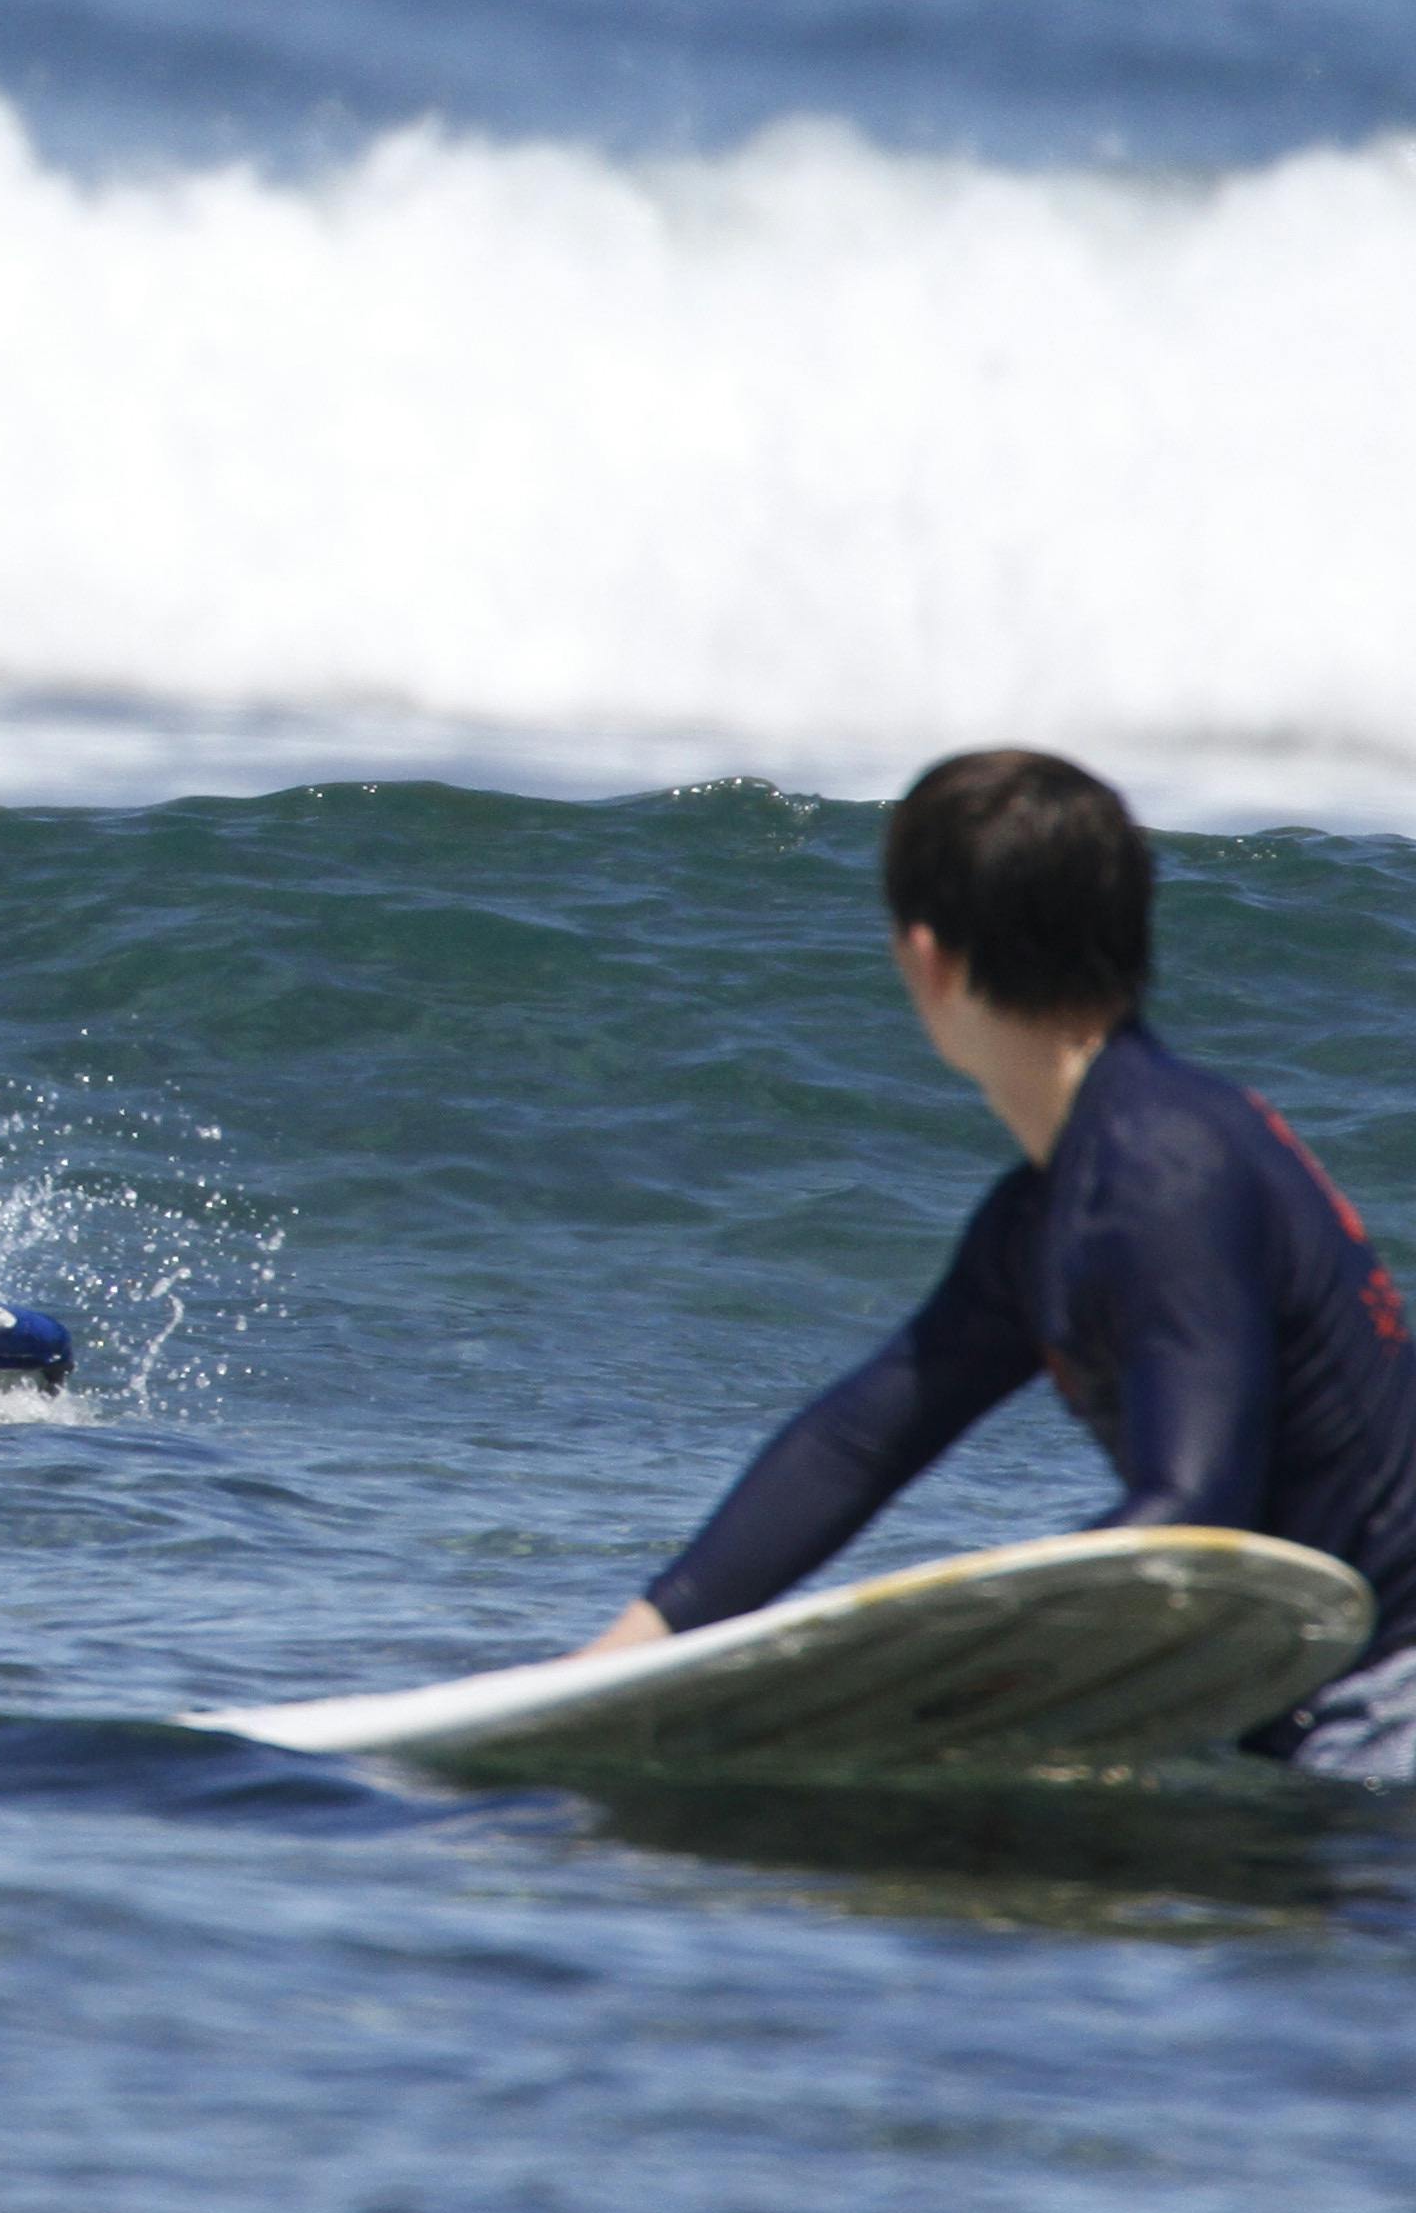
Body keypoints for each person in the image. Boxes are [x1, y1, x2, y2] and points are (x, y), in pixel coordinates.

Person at [572, 747, 1416, 1777]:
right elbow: (862, 1439)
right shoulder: (1064, 1199)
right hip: (1322, 1691)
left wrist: (962, 1676)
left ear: (928, 957)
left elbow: (1200, 1510)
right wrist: (636, 1650)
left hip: (1389, 1700)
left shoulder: (1159, 1170)